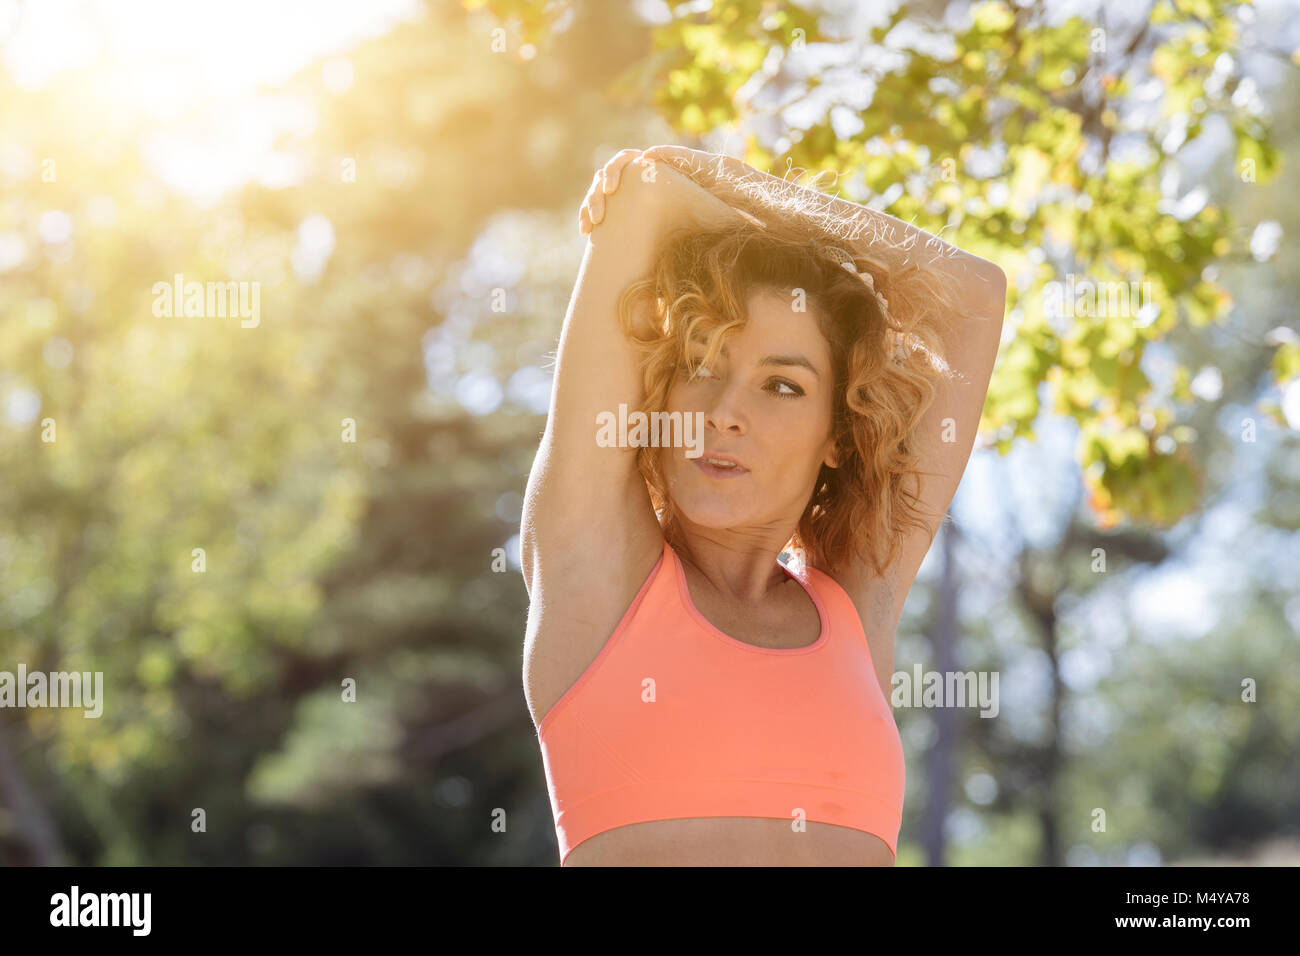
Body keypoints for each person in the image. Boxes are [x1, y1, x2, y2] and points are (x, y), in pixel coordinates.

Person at [521, 146, 1007, 866]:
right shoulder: (595, 574)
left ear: (838, 434)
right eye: (702, 368)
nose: (724, 412)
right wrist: (699, 207)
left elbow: (974, 291)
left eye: (782, 386)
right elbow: (646, 194)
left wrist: (718, 185)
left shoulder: (854, 605)